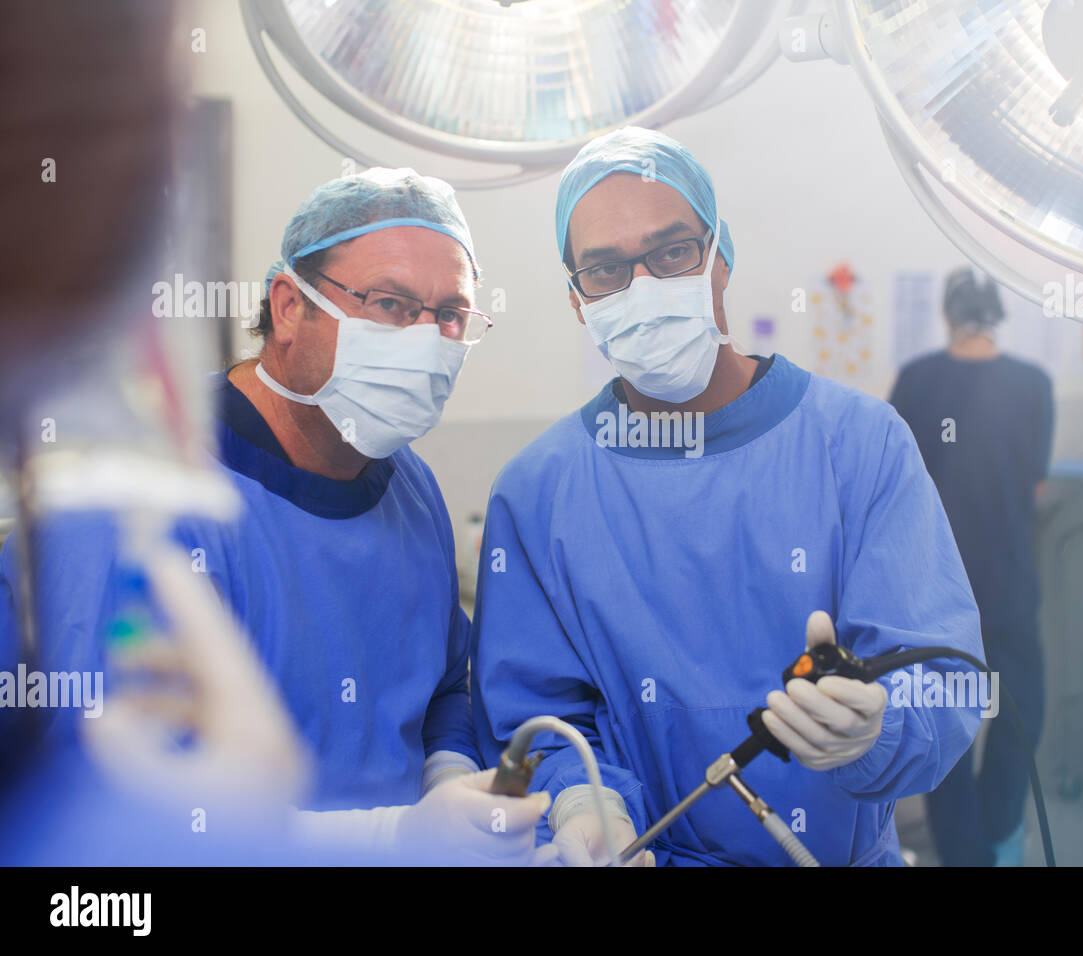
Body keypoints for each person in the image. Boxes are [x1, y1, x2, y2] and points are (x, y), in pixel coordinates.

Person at [0, 167, 549, 862]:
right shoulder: (133, 504)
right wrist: (390, 838)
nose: (427, 339)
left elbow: (445, 689)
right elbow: (110, 827)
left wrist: (450, 783)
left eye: (449, 315)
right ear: (289, 307)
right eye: (391, 303)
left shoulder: (411, 491)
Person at [471, 126, 984, 867]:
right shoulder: (538, 491)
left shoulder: (858, 445)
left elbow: (940, 680)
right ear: (579, 299)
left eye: (673, 251)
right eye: (607, 269)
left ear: (720, 257)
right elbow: (534, 719)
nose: (642, 286)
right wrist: (585, 806)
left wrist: (877, 729)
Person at [889, 268, 1054, 866]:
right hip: (1009, 581)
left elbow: (896, 490)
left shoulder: (916, 381)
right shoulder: (1033, 384)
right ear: (998, 314)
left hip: (936, 590)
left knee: (946, 727)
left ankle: (965, 854)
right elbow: (1036, 487)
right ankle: (1001, 828)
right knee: (1019, 717)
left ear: (947, 315)